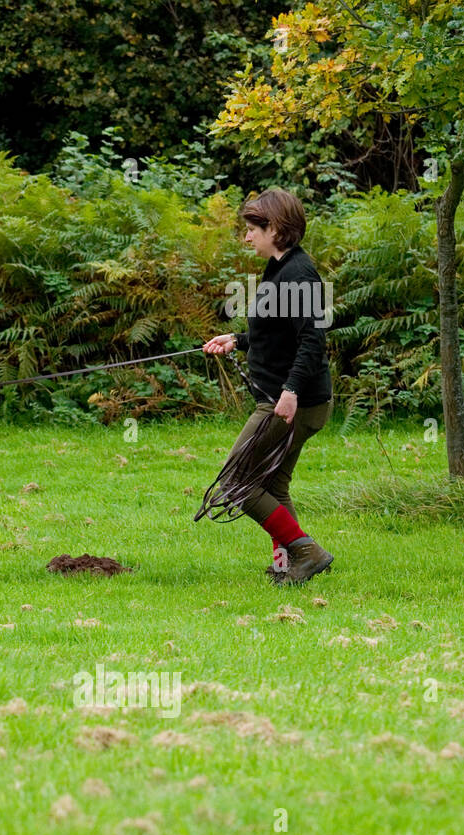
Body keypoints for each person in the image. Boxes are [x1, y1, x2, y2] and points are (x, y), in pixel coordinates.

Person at [202, 188, 335, 585]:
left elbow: (313, 338)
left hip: (292, 401)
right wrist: (238, 340)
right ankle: (290, 564)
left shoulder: (299, 272)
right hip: (287, 397)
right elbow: (280, 331)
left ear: (274, 228)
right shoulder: (280, 268)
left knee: (237, 481)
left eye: (252, 229)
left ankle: (307, 552)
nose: (246, 237)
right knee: (273, 483)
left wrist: (290, 391)